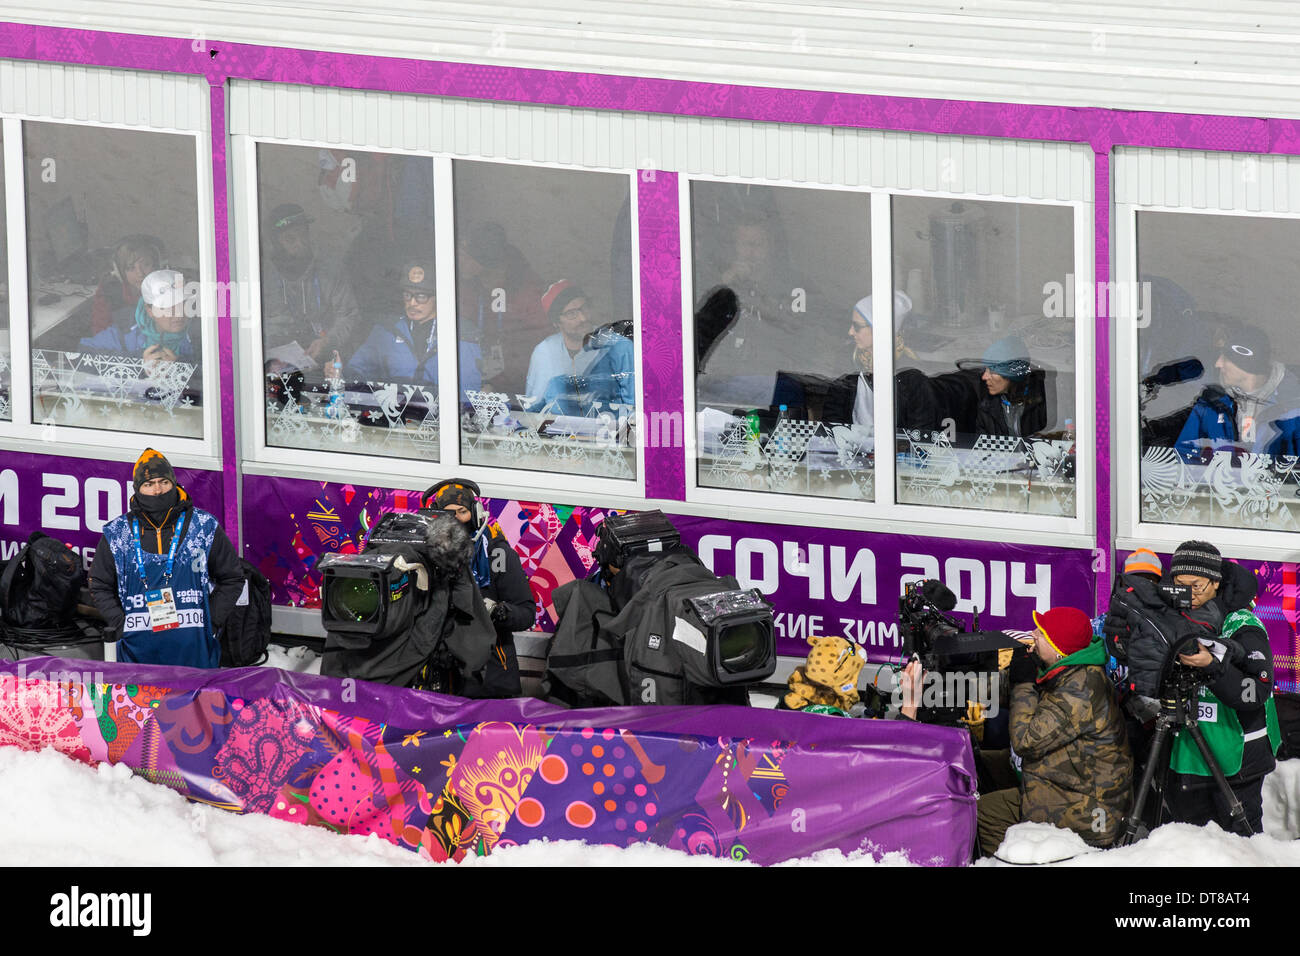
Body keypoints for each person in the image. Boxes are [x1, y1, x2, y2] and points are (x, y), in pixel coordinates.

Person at [976, 606, 1132, 856]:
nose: (1032, 635)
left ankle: (1014, 859)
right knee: (978, 764)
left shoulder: (1081, 689)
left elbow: (1025, 741)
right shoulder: (1069, 669)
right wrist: (966, 684)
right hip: (1066, 777)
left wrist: (1023, 684)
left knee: (983, 812)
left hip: (1090, 808)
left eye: (1041, 633)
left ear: (1058, 649)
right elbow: (1026, 695)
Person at [1164, 540, 1282, 834]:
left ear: (1216, 583)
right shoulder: (1171, 618)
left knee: (1240, 846)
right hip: (1188, 752)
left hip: (1238, 759)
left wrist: (1212, 666)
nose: (1188, 594)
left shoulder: (1242, 623)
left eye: (1196, 584)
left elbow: (1257, 690)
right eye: (1179, 584)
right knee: (1185, 841)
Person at [89, 449, 244, 668]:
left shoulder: (204, 526)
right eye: (149, 484)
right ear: (138, 489)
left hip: (194, 652)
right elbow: (99, 583)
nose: (157, 490)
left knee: (194, 703)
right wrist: (121, 624)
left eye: (163, 482)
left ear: (174, 483)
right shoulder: (118, 533)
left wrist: (211, 622)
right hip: (137, 654)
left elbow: (233, 578)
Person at [432, 479, 536, 698]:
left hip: (492, 675)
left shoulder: (499, 555)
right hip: (443, 672)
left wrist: (499, 611)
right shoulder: (428, 555)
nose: (456, 520)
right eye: (448, 514)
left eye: (462, 511)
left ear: (476, 513)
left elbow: (526, 614)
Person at [347, 260, 481, 391]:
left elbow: (468, 393)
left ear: (437, 297)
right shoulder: (386, 330)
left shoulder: (460, 333)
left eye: (421, 296)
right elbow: (355, 371)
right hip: (394, 410)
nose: (412, 303)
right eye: (407, 295)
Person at [1175, 325, 1300, 460]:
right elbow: (1182, 458)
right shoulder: (1210, 403)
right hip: (1214, 481)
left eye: (1226, 358)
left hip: (1270, 480)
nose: (1218, 364)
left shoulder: (1292, 408)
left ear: (1246, 363)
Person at [260, 202, 361, 366]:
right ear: (276, 244)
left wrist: (328, 341)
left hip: (327, 359)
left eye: (303, 234)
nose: (300, 243)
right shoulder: (263, 276)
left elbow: (349, 316)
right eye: (290, 239)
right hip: (276, 363)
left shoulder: (331, 269)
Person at [456, 222, 548, 396]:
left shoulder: (527, 291)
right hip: (469, 384)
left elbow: (536, 349)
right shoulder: (462, 285)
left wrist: (497, 384)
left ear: (483, 260)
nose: (458, 258)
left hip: (513, 392)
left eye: (465, 254)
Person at [523, 280, 635, 414]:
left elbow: (634, 409)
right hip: (556, 433)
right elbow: (533, 409)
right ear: (556, 323)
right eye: (571, 314)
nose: (582, 318)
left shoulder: (620, 347)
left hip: (607, 432)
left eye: (584, 308)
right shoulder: (544, 352)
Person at [79, 269, 197, 363]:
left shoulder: (202, 332)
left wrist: (181, 366)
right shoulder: (128, 330)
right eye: (167, 306)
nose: (178, 313)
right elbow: (83, 354)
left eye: (183, 303)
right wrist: (139, 362)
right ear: (149, 310)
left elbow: (212, 374)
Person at [88, 235, 164, 336]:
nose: (140, 273)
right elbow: (100, 332)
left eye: (146, 265)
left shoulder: (166, 289)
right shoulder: (109, 290)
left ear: (156, 266)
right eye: (131, 268)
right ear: (120, 272)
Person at [974, 334, 1047, 438]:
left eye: (992, 370)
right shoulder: (986, 407)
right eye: (985, 369)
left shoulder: (1042, 401)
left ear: (1011, 374)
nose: (984, 377)